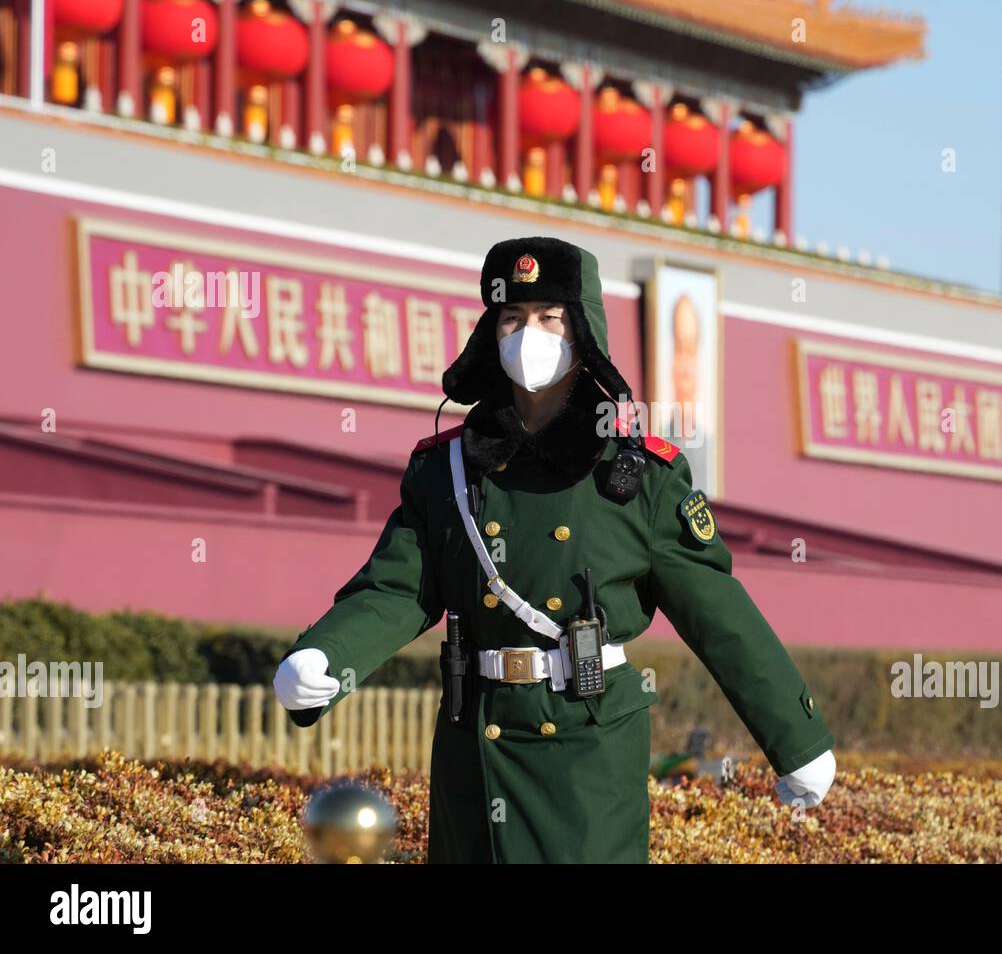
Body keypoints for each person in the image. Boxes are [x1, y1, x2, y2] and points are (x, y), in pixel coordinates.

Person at [273, 236, 836, 863]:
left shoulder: (637, 475)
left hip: (586, 754)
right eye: (511, 317)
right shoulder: (448, 468)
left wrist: (798, 738)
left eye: (549, 317)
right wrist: (327, 652)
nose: (527, 334)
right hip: (474, 745)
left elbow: (717, 614)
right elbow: (400, 587)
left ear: (583, 329)